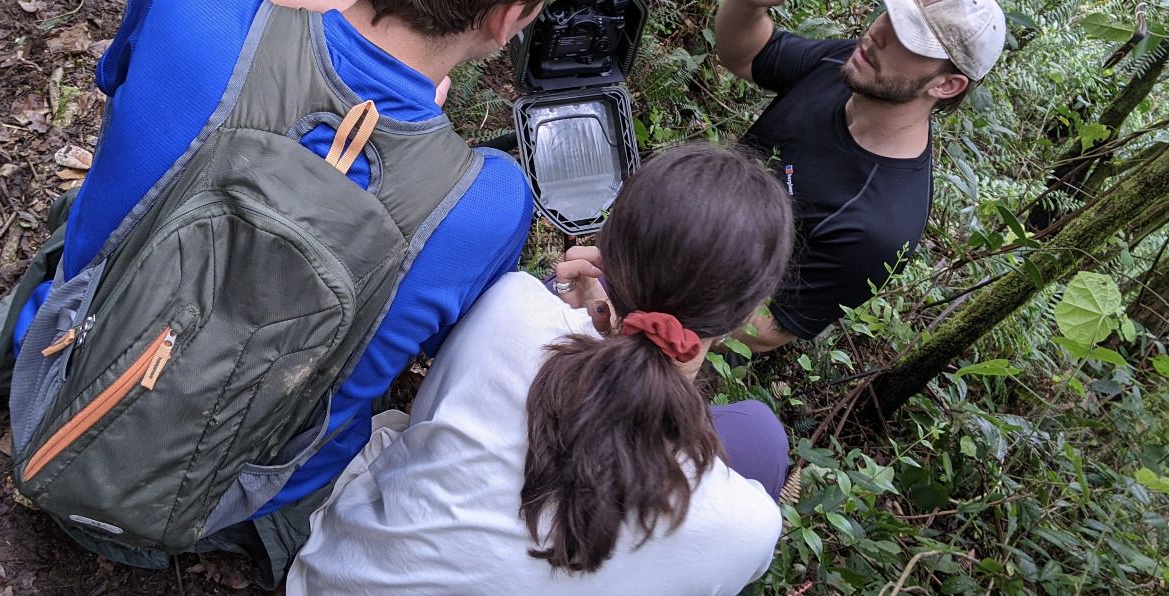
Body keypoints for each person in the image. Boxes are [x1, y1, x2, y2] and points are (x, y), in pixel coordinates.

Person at [10, 0, 592, 582]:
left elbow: (161, 33)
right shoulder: (485, 200)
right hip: (222, 503)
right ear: (509, 18)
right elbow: (429, 356)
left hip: (50, 388)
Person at [287, 143, 795, 595]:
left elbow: (427, 424)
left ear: (607, 244)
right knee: (759, 437)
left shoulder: (514, 308)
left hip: (334, 580)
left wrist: (565, 309)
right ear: (747, 316)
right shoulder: (746, 527)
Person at [713, 0, 1007, 351]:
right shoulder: (854, 63)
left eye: (910, 39)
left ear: (947, 84)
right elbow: (744, 54)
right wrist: (746, 0)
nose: (877, 33)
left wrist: (670, 310)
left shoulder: (881, 224)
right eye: (890, 14)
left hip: (693, 313)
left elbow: (771, 328)